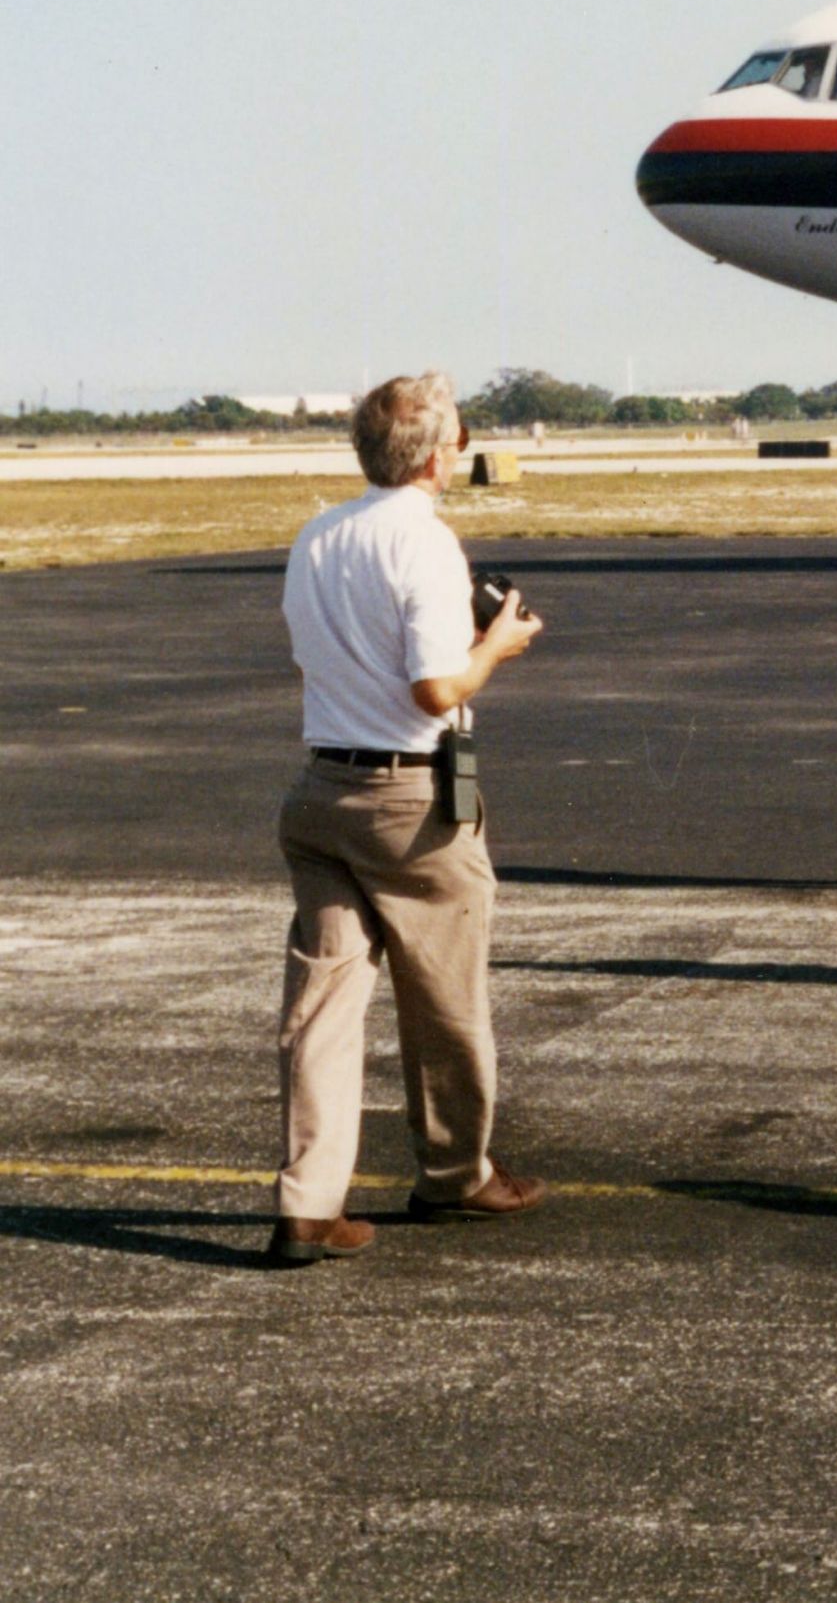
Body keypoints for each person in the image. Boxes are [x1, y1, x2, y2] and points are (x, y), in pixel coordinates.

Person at [266, 370, 547, 1267]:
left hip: (321, 792)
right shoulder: (424, 542)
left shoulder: (317, 534)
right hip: (409, 801)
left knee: (322, 1009)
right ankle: (455, 1173)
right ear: (435, 459)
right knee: (446, 1002)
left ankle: (308, 1202)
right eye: (458, 437)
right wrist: (495, 645)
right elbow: (435, 689)